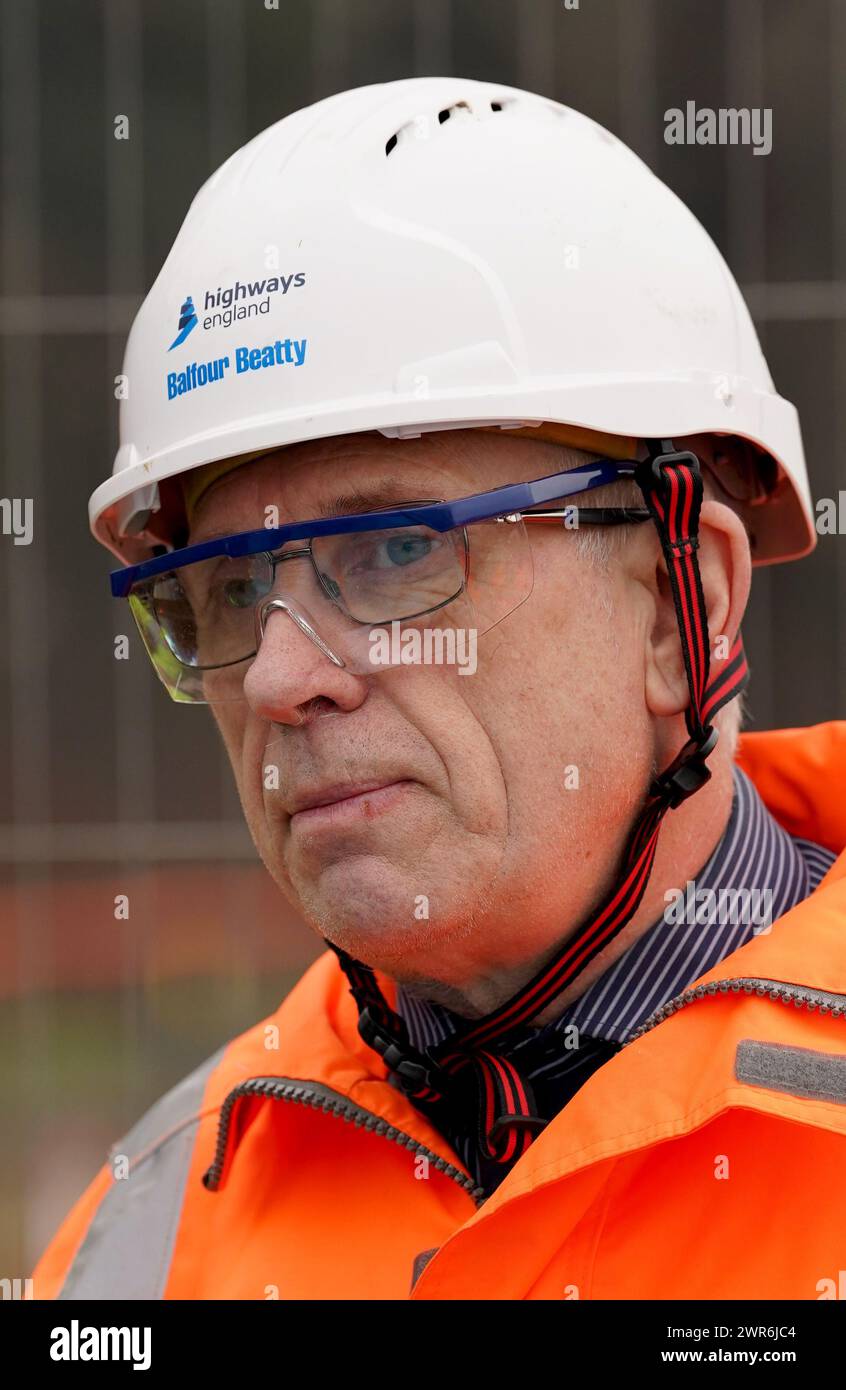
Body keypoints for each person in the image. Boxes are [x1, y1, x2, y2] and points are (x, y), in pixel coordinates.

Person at [32, 77, 846, 1301]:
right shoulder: (144, 1242)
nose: (284, 674)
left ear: (692, 608)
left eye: (401, 549)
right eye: (232, 589)